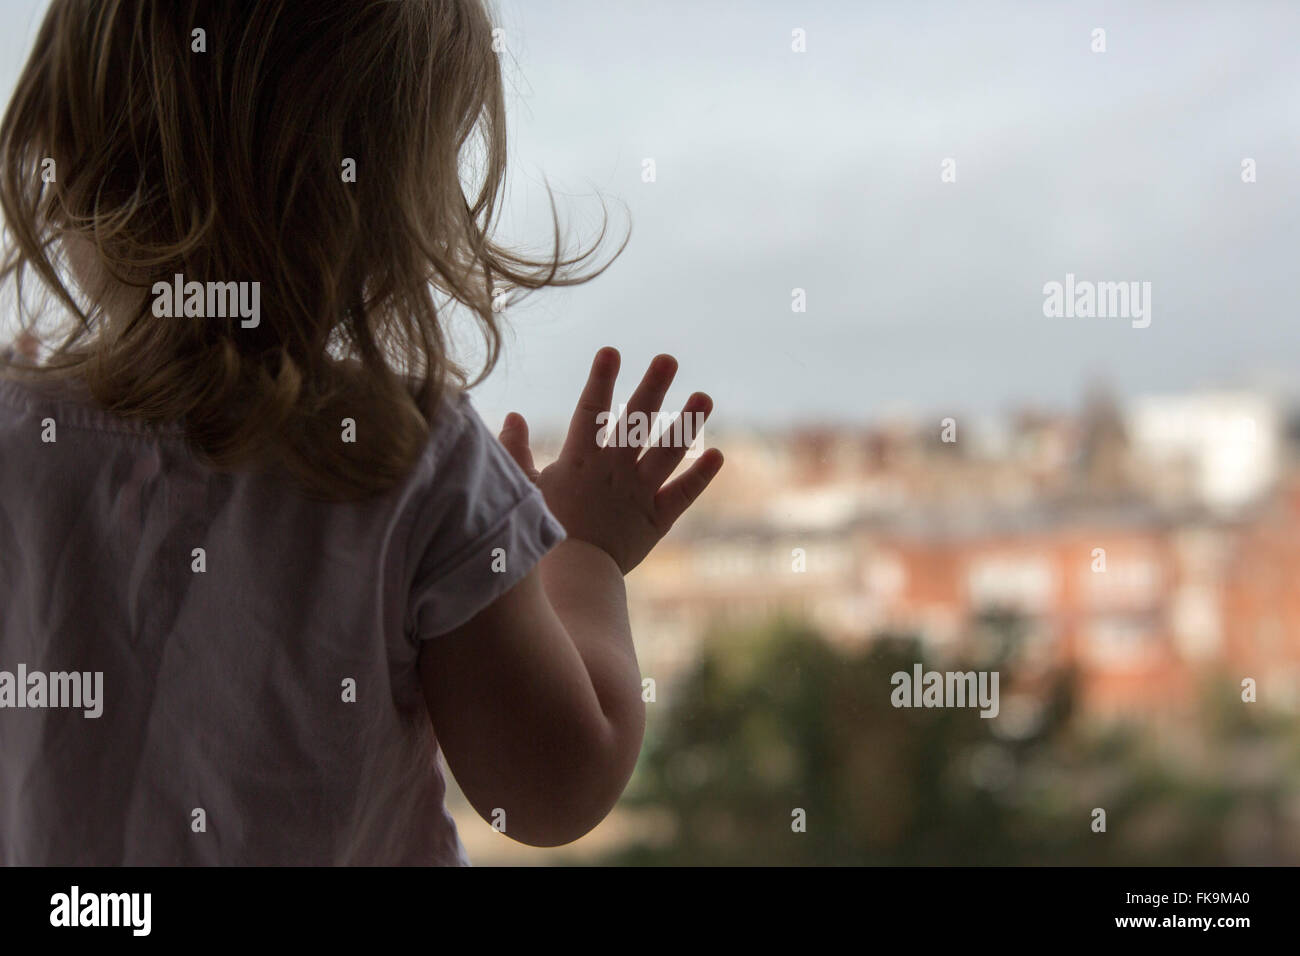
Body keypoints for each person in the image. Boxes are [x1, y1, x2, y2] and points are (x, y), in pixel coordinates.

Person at [0, 0, 722, 865]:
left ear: (63, 146)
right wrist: (588, 557)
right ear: (394, 210)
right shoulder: (404, 460)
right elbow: (552, 784)